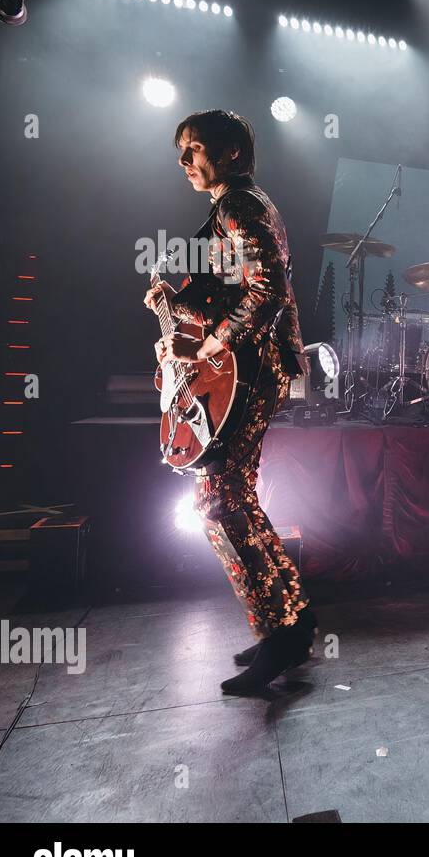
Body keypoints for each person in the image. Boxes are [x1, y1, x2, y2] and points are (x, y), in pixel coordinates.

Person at [144, 109, 315, 693]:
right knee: (232, 497)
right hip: (249, 368)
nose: (185, 160)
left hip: (250, 370)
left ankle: (280, 635)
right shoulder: (230, 210)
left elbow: (265, 289)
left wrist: (211, 341)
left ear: (233, 152)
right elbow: (227, 291)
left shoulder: (240, 206)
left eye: (195, 148)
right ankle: (290, 621)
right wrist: (176, 307)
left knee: (218, 503)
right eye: (181, 151)